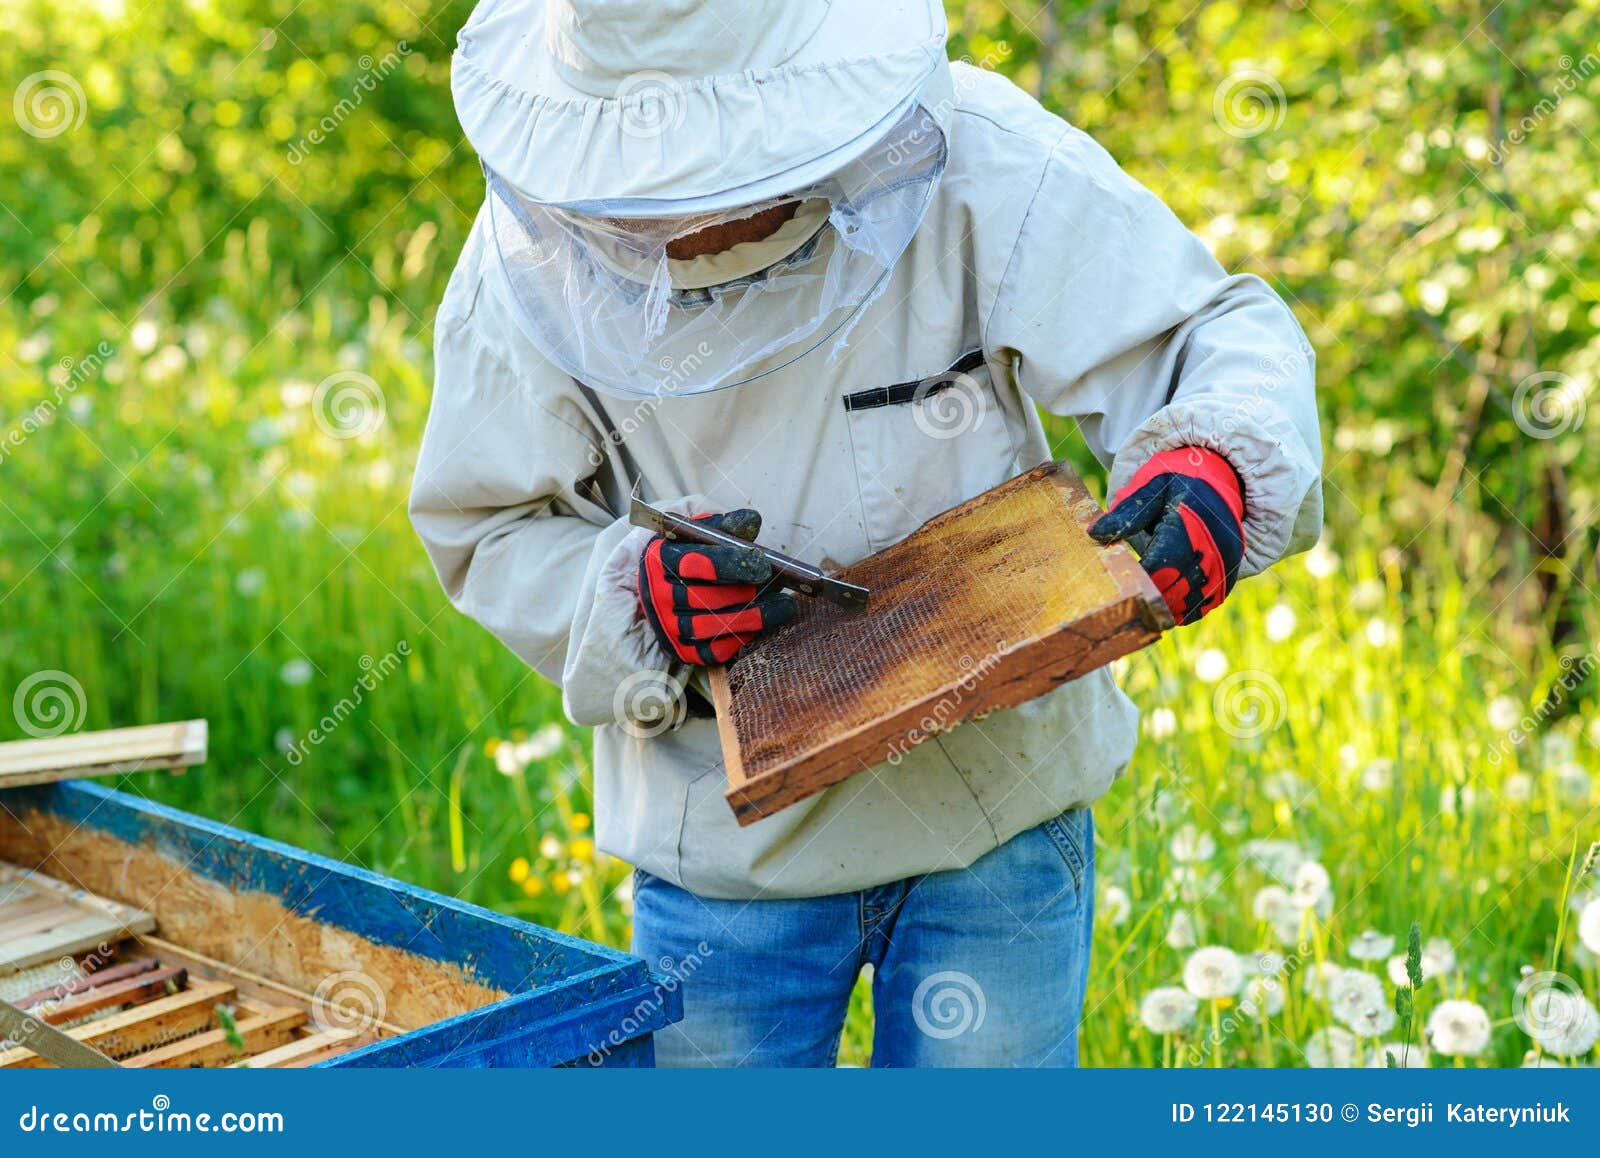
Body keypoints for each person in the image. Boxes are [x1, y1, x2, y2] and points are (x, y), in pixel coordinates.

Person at [411, 0, 1321, 1067]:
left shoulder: (973, 152)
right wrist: (632, 600)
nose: (697, 221)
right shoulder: (528, 254)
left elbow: (1200, 334)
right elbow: (489, 524)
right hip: (724, 858)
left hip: (995, 816)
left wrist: (1212, 458)